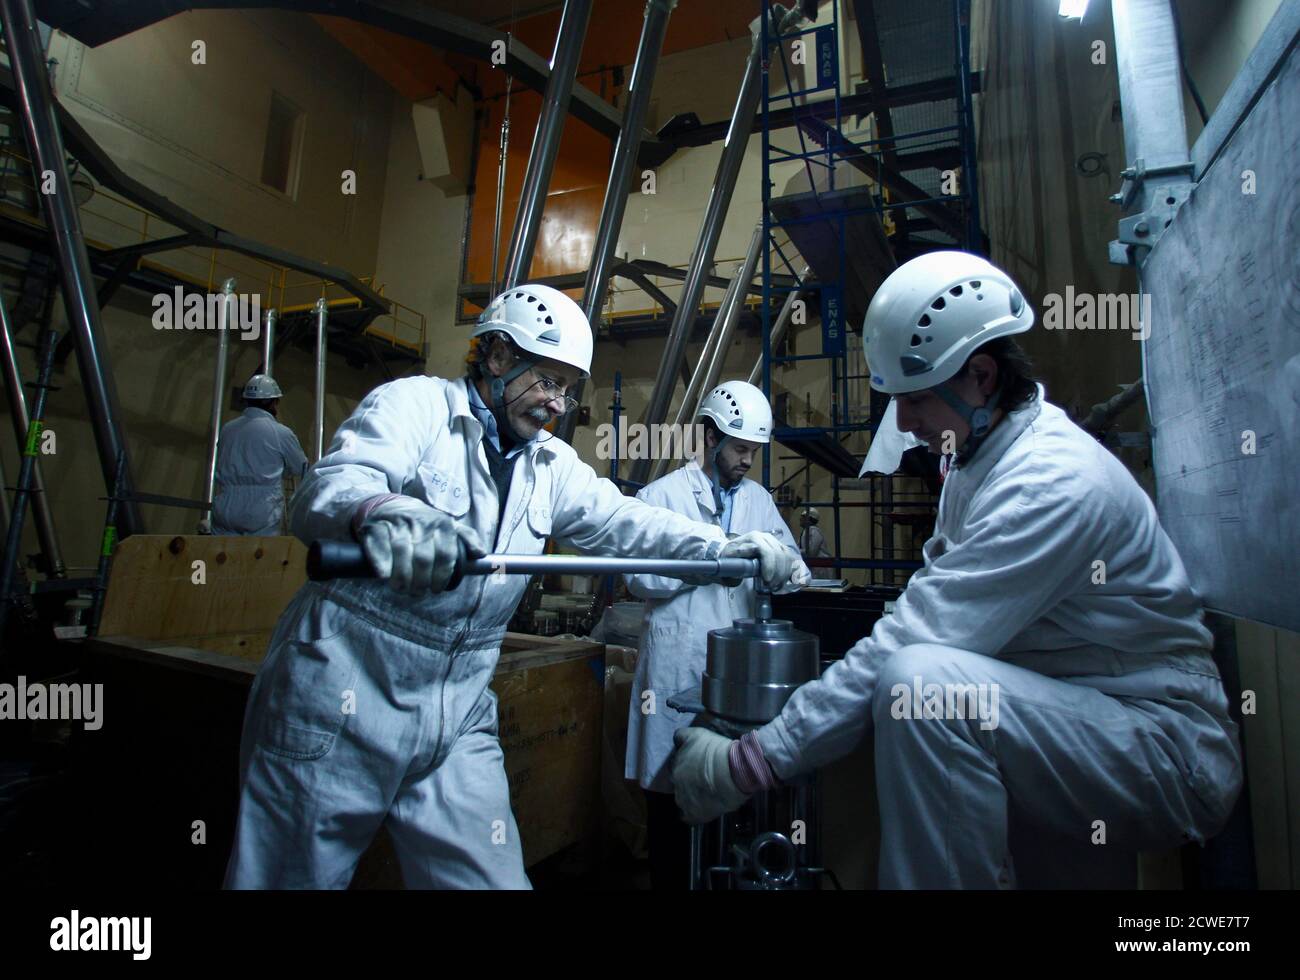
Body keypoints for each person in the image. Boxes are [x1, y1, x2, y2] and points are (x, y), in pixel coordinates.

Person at [671, 251, 1243, 888]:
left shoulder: (1049, 483)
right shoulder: (976, 462)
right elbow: (932, 599)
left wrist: (750, 763)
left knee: (923, 687)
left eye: (913, 400)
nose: (904, 423)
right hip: (1072, 718)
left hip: (1161, 744)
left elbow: (921, 635)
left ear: (981, 376)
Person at [224, 283, 797, 889]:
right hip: (347, 685)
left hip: (459, 706)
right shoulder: (416, 406)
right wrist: (386, 512)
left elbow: (626, 520)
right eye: (546, 382)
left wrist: (722, 548)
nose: (556, 404)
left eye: (567, 391)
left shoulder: (549, 463)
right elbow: (327, 489)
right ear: (497, 357)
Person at [623, 380, 809, 889]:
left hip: (737, 675)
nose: (749, 460)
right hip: (674, 662)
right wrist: (710, 565)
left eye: (755, 450)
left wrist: (782, 568)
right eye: (741, 448)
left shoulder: (758, 501)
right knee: (669, 797)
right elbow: (637, 578)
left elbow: (796, 568)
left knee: (730, 790)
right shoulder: (661, 496)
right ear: (709, 436)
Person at [210, 374, 308, 535]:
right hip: (260, 508)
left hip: (225, 504)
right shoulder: (280, 432)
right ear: (273, 402)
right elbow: (300, 467)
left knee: (222, 556)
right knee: (259, 557)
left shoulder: (228, 429)